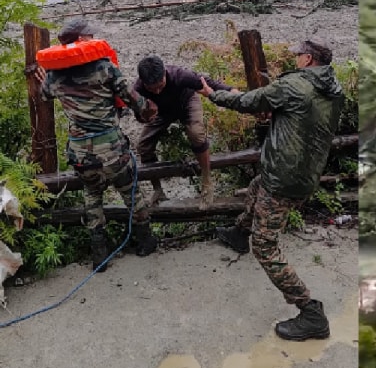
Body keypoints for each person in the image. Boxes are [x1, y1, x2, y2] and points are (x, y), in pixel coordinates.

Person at [199, 38, 344, 341]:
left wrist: (213, 95)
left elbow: (247, 102)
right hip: (304, 172)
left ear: (308, 59)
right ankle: (239, 233)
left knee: (265, 247)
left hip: (284, 177)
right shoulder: (333, 88)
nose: (295, 61)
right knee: (256, 188)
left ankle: (311, 313)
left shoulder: (294, 87)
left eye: (298, 56)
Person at [34, 19, 159, 271]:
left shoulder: (54, 76)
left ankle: (99, 255)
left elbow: (44, 95)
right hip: (112, 150)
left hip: (81, 154)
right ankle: (145, 241)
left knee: (92, 195)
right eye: (89, 35)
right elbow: (134, 101)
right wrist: (151, 110)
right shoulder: (104, 67)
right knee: (130, 193)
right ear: (81, 40)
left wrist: (43, 78)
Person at [133, 55, 234, 207]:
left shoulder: (180, 76)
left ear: (164, 74)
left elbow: (213, 85)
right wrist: (145, 115)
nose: (158, 91)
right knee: (143, 145)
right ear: (143, 82)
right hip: (160, 111)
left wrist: (237, 94)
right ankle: (157, 190)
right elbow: (139, 116)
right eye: (152, 89)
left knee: (196, 133)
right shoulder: (138, 89)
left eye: (161, 85)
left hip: (186, 102)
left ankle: (206, 182)